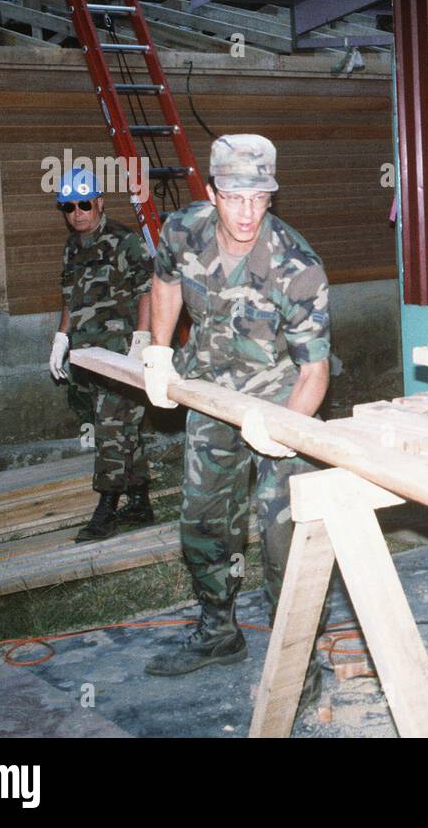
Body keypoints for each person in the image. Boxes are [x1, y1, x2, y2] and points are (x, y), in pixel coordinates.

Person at [139, 135, 332, 715]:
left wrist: (281, 427)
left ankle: (302, 656)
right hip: (210, 393)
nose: (247, 212)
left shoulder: (297, 266)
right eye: (235, 196)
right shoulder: (184, 229)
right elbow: (166, 280)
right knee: (203, 519)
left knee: (284, 531)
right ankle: (219, 629)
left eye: (260, 197)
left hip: (280, 400)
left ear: (272, 193)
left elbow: (316, 372)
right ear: (213, 191)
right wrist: (157, 351)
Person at [49, 167, 154, 542]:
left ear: (98, 202)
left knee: (110, 430)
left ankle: (106, 510)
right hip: (87, 355)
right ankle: (140, 502)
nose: (76, 212)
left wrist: (142, 340)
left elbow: (148, 290)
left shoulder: (124, 241)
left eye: (83, 204)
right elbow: (69, 298)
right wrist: (61, 339)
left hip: (122, 353)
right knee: (122, 427)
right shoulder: (72, 247)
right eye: (67, 206)